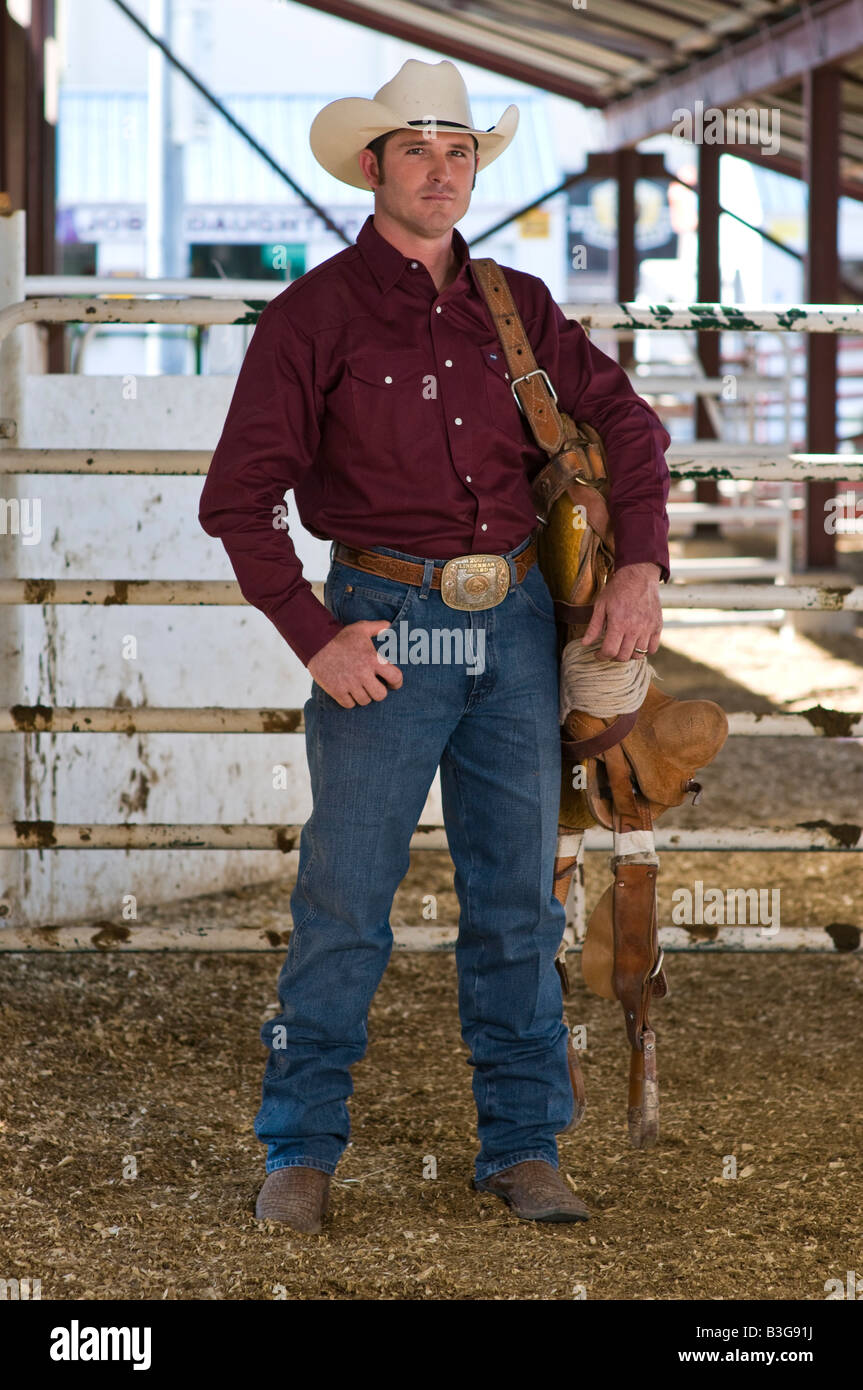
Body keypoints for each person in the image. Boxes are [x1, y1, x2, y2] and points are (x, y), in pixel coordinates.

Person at [198, 58, 671, 1234]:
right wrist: (316, 638)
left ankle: (521, 1146)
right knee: (344, 903)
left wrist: (642, 563)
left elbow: (625, 420)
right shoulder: (312, 314)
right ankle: (299, 1149)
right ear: (372, 167)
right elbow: (236, 499)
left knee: (515, 902)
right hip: (384, 626)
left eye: (458, 152)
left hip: (513, 624)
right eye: (416, 150)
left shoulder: (514, 304)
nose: (441, 171)